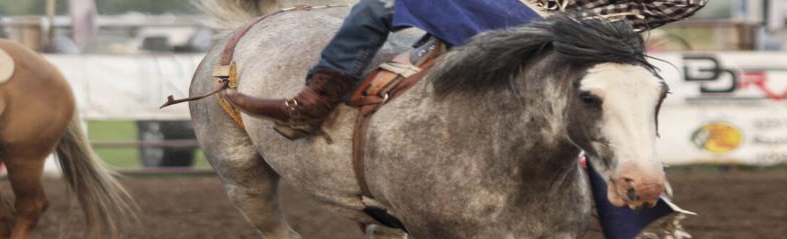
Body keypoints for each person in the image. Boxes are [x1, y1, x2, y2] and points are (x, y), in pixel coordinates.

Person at [281, 0, 706, 138]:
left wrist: (601, 20)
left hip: (541, 22)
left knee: (383, 4)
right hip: (517, 11)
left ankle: (318, 99)